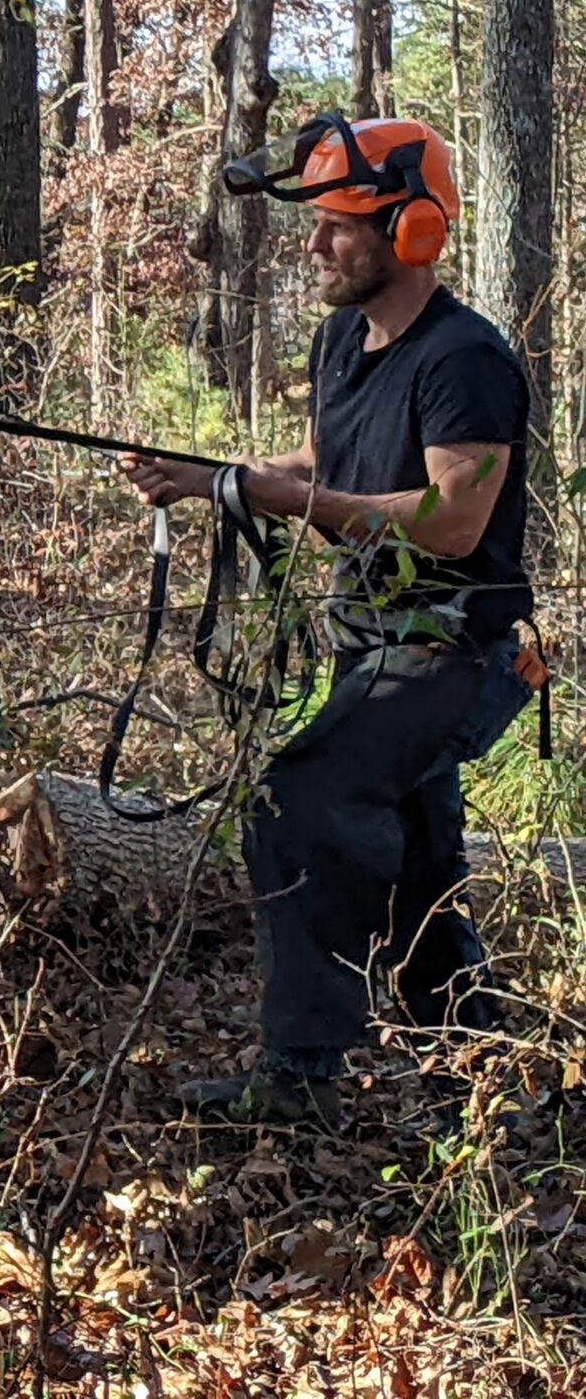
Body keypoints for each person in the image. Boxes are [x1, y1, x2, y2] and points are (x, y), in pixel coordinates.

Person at [117, 115, 539, 1120]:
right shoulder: (341, 341)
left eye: (340, 225)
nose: (314, 245)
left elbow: (450, 520)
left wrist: (274, 499)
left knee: (298, 804)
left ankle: (299, 1079)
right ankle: (472, 1052)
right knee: (414, 844)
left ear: (414, 229)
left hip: (450, 646)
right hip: (367, 638)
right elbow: (318, 468)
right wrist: (211, 478)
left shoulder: (464, 360)